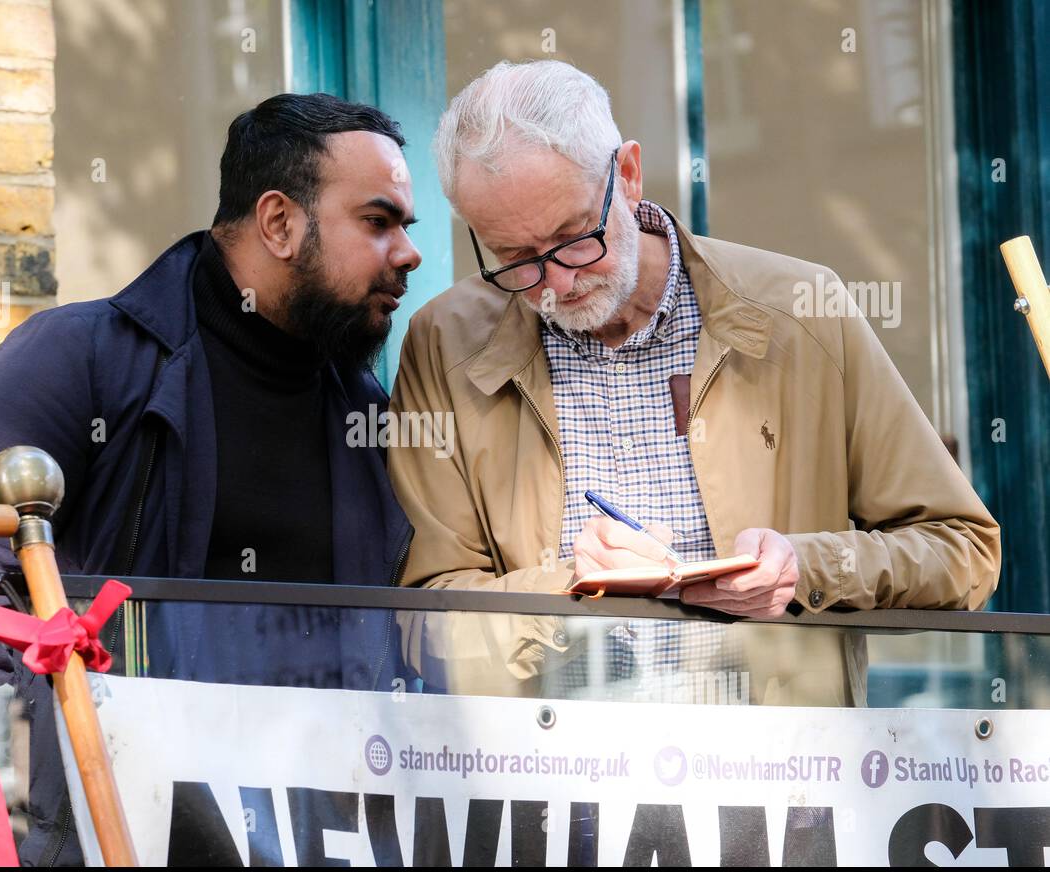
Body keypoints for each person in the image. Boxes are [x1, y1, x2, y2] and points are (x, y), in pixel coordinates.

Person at [388, 60, 1000, 703]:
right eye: (515, 259)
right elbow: (419, 623)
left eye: (574, 239)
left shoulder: (804, 311)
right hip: (556, 784)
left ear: (627, 176)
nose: (556, 284)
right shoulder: (444, 343)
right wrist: (567, 589)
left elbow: (960, 550)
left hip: (779, 777)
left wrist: (804, 569)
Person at [0, 92, 421, 864]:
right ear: (280, 222)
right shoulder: (74, 361)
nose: (408, 253)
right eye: (379, 221)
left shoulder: (370, 413)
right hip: (109, 837)